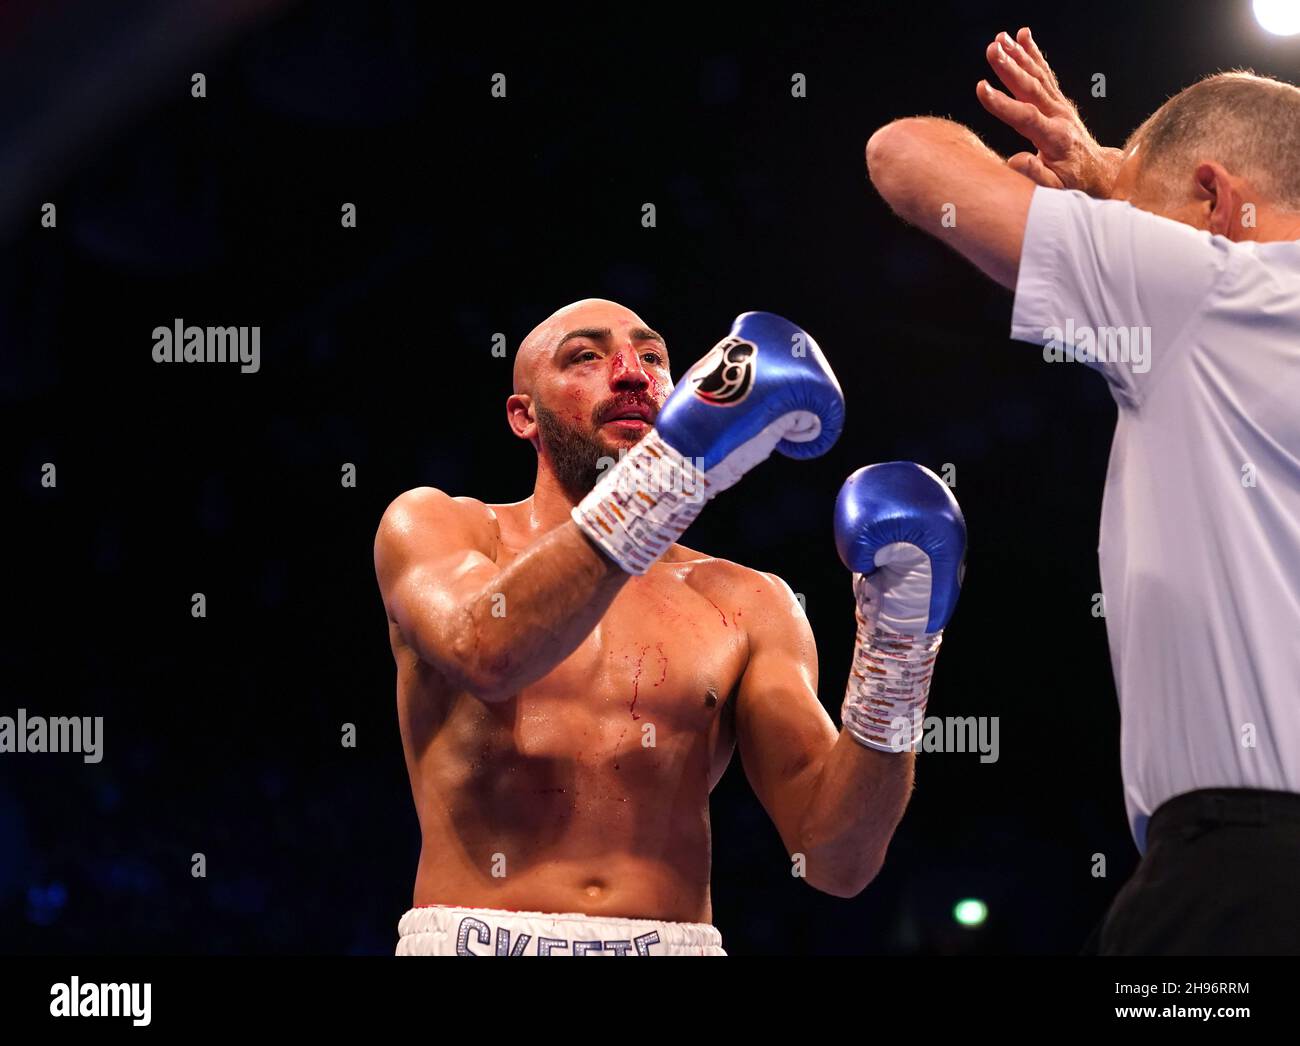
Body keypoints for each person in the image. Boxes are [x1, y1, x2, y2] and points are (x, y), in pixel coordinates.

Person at [866, 27, 1300, 955]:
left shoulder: (1217, 290)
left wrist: (1108, 174)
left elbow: (904, 155)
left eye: (1144, 213)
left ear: (1217, 199)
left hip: (1244, 883)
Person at [374, 298, 965, 955]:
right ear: (523, 416)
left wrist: (899, 656)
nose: (630, 373)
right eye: (586, 357)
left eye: (653, 357)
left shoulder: (747, 600)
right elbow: (486, 651)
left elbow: (836, 860)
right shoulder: (442, 526)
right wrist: (673, 472)